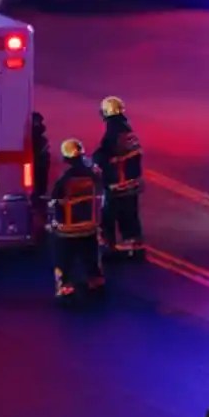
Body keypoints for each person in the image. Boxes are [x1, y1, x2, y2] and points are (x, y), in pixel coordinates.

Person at [48, 139, 105, 301]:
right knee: (91, 253)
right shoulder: (93, 175)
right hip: (90, 225)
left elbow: (55, 198)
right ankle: (95, 279)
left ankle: (65, 284)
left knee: (63, 255)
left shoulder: (65, 179)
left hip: (68, 228)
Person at [92, 96, 144, 260]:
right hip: (131, 183)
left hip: (117, 184)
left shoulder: (113, 131)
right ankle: (135, 248)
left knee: (108, 216)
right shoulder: (127, 130)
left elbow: (105, 155)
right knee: (130, 216)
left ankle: (109, 248)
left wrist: (94, 159)